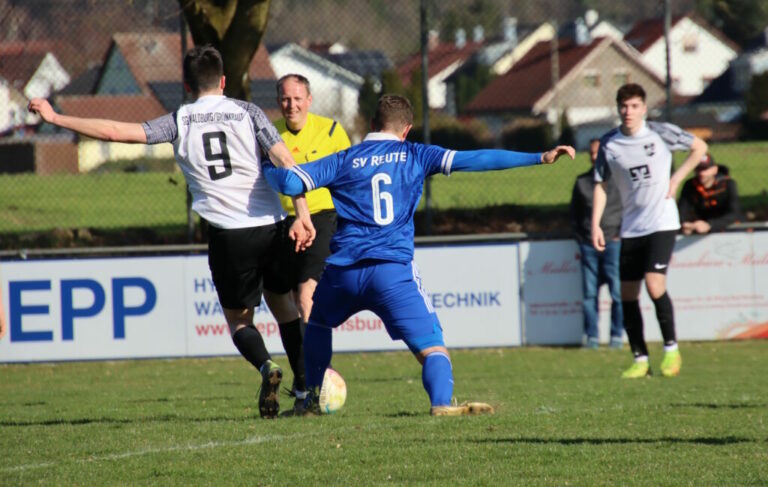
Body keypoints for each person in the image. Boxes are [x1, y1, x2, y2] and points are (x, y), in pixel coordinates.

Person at [28, 45, 315, 418]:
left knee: (240, 320)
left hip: (229, 236)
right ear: (224, 81)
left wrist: (58, 117)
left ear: (186, 84)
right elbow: (285, 161)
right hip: (272, 225)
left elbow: (116, 132)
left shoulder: (179, 121)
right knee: (286, 308)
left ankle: (266, 366)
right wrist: (302, 214)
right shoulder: (249, 112)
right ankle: (307, 390)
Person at [264, 94, 575, 416]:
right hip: (392, 273)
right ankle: (440, 402)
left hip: (344, 271)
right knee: (433, 349)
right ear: (407, 130)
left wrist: (264, 166)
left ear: (371, 125)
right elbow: (478, 159)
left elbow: (288, 182)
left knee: (317, 324)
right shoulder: (416, 154)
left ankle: (311, 400)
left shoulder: (344, 159)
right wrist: (539, 157)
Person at [591, 83, 707, 379]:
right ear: (618, 109)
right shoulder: (609, 143)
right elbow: (601, 184)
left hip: (662, 222)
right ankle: (640, 358)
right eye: (623, 106)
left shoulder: (661, 132)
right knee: (627, 294)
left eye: (634, 106)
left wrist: (677, 179)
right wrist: (596, 224)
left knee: (655, 285)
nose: (628, 112)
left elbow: (700, 148)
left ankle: (671, 350)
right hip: (631, 227)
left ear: (643, 108)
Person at [273, 74, 351, 325]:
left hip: (322, 220)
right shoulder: (270, 135)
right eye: (285, 99)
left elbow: (351, 178)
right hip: (283, 223)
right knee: (292, 301)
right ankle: (308, 360)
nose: (291, 105)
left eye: (297, 98)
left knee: (308, 296)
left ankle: (317, 364)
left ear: (309, 100)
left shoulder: (331, 131)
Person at [570, 138, 623, 349]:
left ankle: (616, 336)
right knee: (589, 294)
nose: (595, 156)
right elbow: (574, 215)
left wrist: (620, 235)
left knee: (617, 292)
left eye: (599, 152)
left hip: (614, 241)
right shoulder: (582, 182)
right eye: (592, 153)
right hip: (588, 244)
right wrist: (582, 237)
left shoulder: (620, 180)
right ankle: (592, 336)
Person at [678, 153, 742, 234]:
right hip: (701, 228)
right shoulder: (690, 185)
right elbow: (682, 210)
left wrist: (710, 224)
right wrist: (686, 224)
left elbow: (735, 213)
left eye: (705, 169)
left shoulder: (727, 184)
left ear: (714, 170)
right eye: (698, 169)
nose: (701, 173)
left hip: (728, 228)